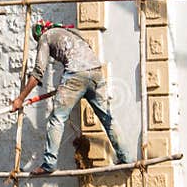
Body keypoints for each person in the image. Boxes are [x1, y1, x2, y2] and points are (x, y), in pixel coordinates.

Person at [11, 20, 133, 174]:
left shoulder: (46, 37)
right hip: (96, 72)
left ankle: (49, 164)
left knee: (57, 118)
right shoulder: (72, 32)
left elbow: (37, 72)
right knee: (106, 117)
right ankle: (126, 157)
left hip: (75, 74)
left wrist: (20, 98)